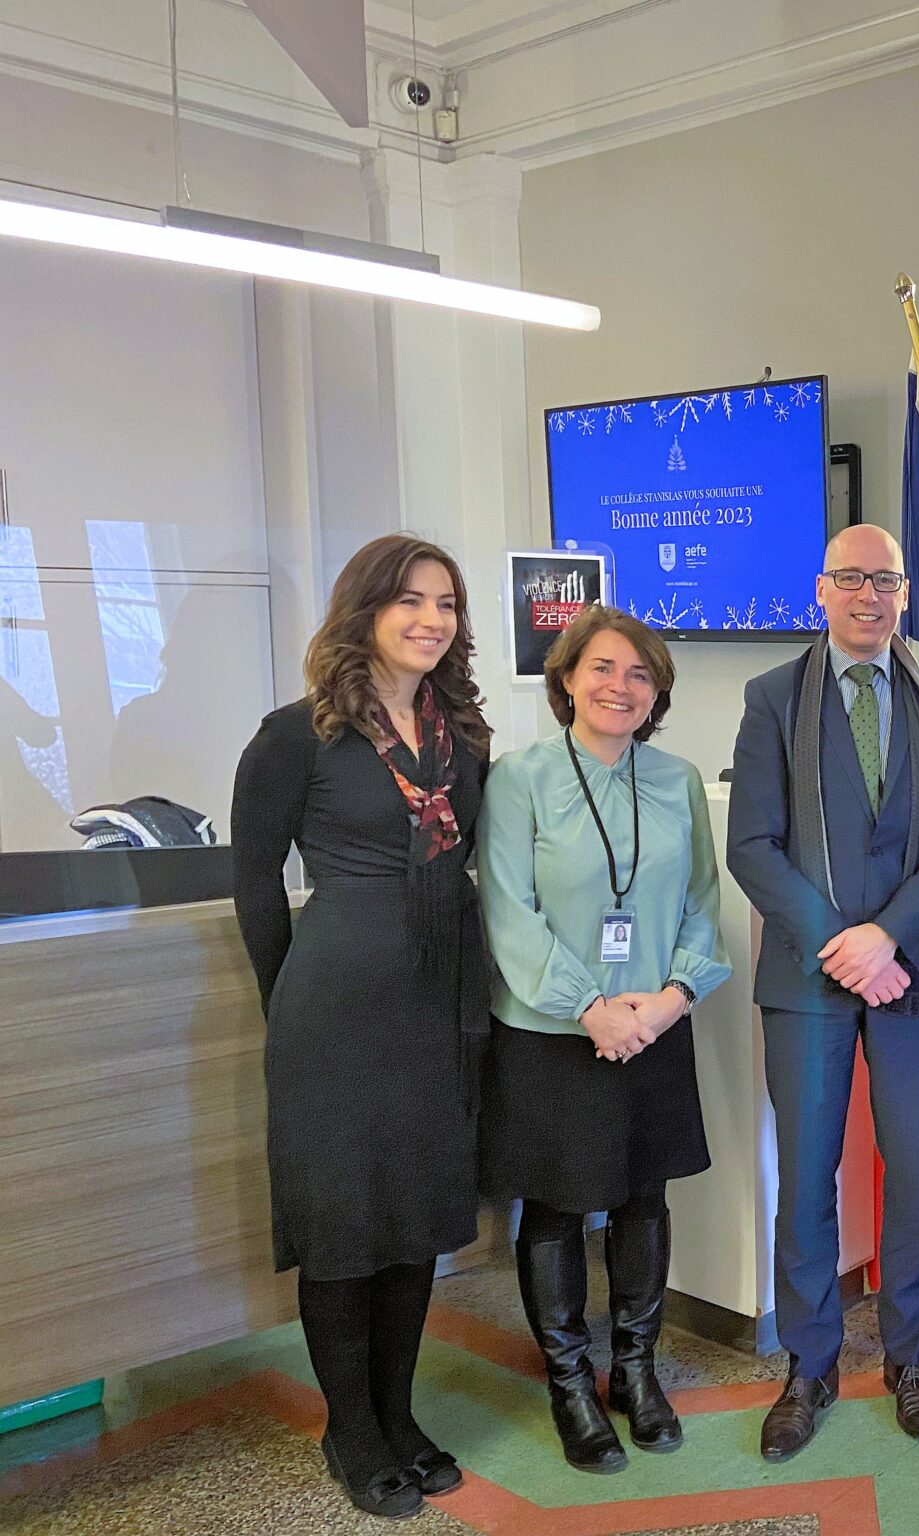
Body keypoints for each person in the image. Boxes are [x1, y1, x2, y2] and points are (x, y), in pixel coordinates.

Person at [231, 535, 492, 1520]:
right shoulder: (296, 736)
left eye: (447, 603)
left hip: (435, 1011)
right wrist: (284, 1001)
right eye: (410, 600)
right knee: (344, 1230)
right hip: (333, 1015)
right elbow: (255, 884)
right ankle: (351, 1429)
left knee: (412, 1223)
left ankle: (397, 1415)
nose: (432, 619)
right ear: (365, 610)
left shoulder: (459, 738)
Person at [727, 523, 919, 1461]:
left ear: (905, 594)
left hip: (909, 971)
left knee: (913, 1172)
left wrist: (887, 938)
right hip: (809, 976)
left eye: (885, 580)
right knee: (806, 1177)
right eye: (850, 578)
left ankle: (911, 1358)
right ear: (821, 590)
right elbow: (752, 845)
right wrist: (843, 944)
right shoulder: (772, 699)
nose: (868, 594)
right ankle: (810, 1365)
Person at [477, 604, 731, 1473]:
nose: (620, 686)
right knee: (554, 1205)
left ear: (657, 693)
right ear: (567, 679)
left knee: (642, 1198)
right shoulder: (520, 779)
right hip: (553, 1029)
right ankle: (570, 1384)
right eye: (603, 668)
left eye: (639, 674)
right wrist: (589, 1006)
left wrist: (670, 1000)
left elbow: (701, 902)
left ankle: (635, 1370)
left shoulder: (677, 780)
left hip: (653, 1024)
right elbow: (508, 911)